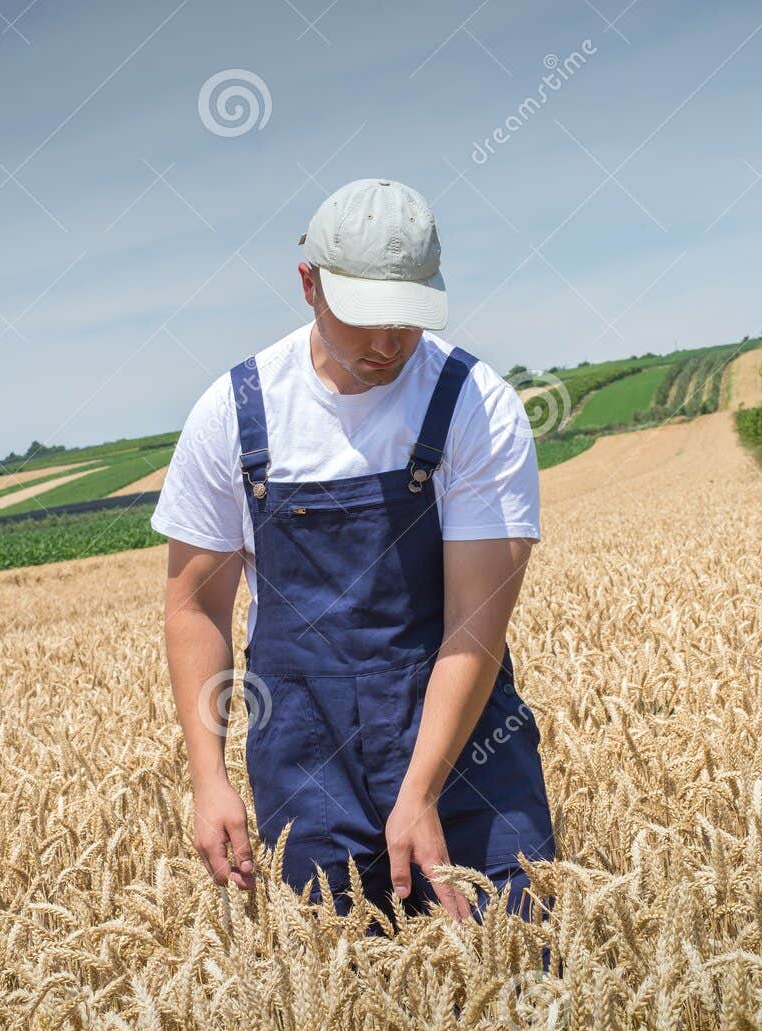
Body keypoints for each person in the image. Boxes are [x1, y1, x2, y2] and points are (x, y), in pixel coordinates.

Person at [153, 177, 553, 922]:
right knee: (345, 1001)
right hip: (306, 762)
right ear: (309, 285)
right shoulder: (234, 416)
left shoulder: (475, 404)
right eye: (364, 318)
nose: (387, 343)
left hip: (467, 749)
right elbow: (194, 606)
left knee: (520, 969)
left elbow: (475, 620)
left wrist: (423, 789)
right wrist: (208, 776)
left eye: (406, 318)